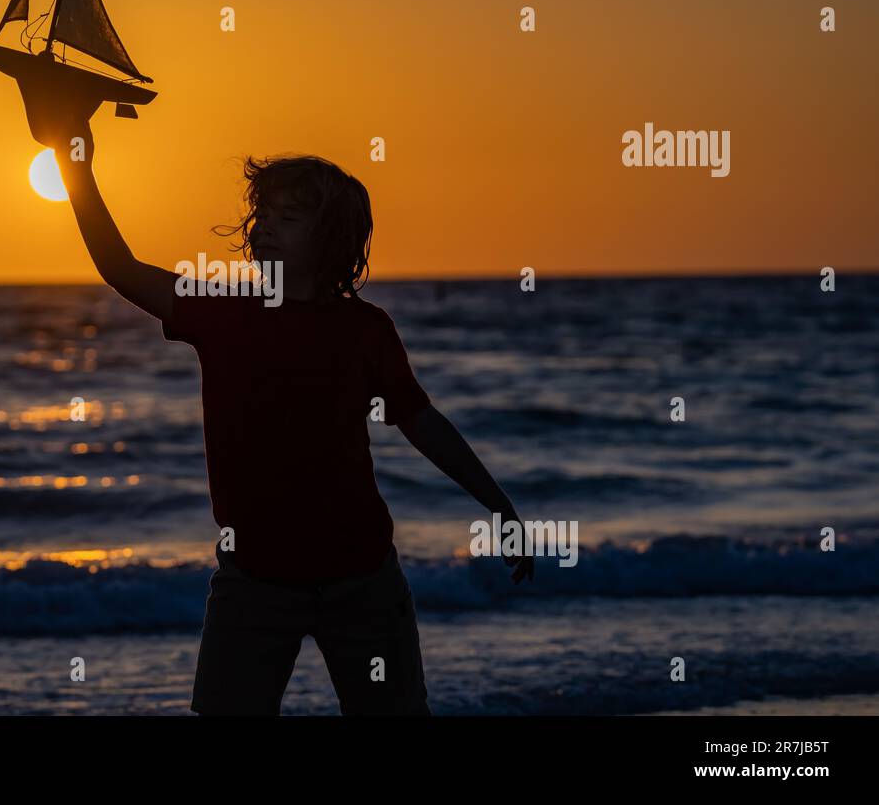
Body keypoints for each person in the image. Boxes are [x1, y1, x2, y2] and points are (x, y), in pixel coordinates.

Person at [30, 99, 534, 715]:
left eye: (287, 217)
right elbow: (119, 267)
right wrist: (72, 156)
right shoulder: (224, 315)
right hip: (253, 580)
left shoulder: (365, 330)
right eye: (262, 212)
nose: (263, 225)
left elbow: (421, 421)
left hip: (362, 578)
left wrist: (498, 504)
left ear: (331, 242)